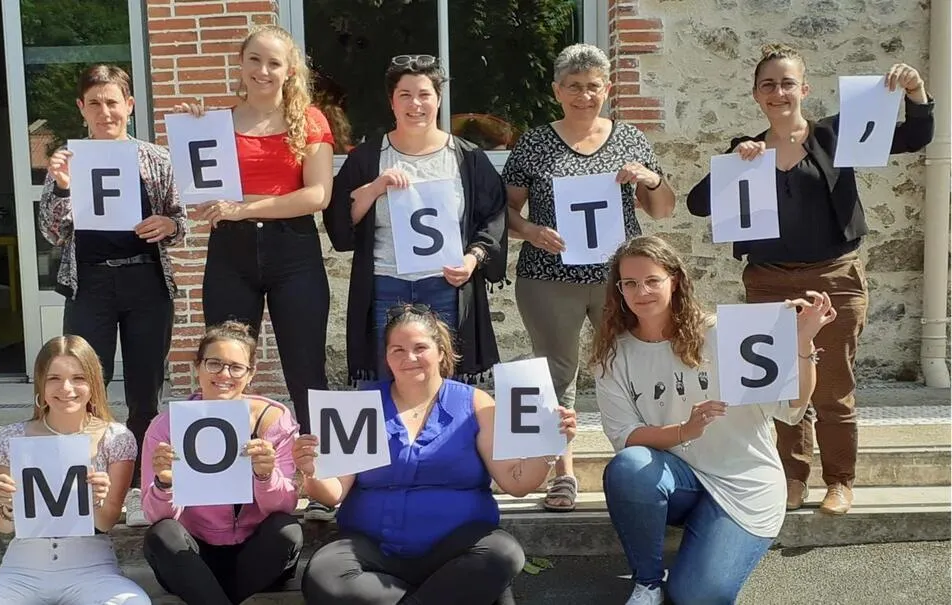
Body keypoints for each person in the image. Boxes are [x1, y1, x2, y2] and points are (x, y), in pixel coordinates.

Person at [685, 44, 934, 514]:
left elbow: (915, 136)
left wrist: (917, 92)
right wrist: (735, 162)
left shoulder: (836, 135)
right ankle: (793, 477)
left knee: (832, 385)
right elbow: (698, 204)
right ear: (756, 95)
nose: (778, 92)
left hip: (833, 276)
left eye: (786, 83)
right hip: (768, 282)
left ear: (804, 88)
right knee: (779, 386)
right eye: (768, 85)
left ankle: (840, 481)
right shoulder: (746, 148)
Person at [592, 235, 836, 605]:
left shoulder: (726, 333)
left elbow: (792, 408)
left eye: (652, 280)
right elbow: (627, 437)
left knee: (697, 598)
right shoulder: (613, 353)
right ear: (619, 290)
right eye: (629, 283)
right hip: (679, 479)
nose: (641, 291)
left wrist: (802, 341)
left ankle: (707, 544)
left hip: (744, 482)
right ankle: (647, 583)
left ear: (675, 280)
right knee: (629, 466)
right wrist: (685, 431)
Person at [297, 304, 578, 605]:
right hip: (374, 550)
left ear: (441, 351)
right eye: (398, 350)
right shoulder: (360, 405)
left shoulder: (475, 403)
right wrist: (311, 471)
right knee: (322, 574)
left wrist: (548, 446)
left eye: (420, 347)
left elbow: (517, 484)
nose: (410, 358)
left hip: (457, 551)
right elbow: (333, 493)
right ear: (387, 358)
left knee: (504, 553)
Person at [502, 43, 674, 512]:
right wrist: (531, 231)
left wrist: (651, 179)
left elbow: (662, 209)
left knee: (631, 365)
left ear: (607, 89)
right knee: (557, 375)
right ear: (558, 91)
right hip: (548, 278)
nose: (584, 95)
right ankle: (563, 474)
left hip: (620, 281)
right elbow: (506, 210)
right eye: (574, 87)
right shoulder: (535, 142)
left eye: (593, 87)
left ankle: (644, 465)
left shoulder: (631, 138)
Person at [173, 25, 334, 450]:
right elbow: (199, 190)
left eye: (274, 62)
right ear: (241, 64)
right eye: (255, 60)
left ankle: (321, 477)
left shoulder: (310, 121)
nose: (263, 70)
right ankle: (220, 474)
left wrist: (244, 207)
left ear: (290, 70)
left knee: (305, 369)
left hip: (293, 252)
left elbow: (317, 195)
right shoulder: (215, 124)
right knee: (223, 365)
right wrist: (191, 129)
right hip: (231, 254)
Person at [39, 64, 186, 525]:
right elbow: (52, 232)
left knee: (146, 390)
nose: (106, 112)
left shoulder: (155, 158)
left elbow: (178, 219)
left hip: (146, 283)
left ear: (130, 106)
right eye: (96, 103)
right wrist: (63, 189)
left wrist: (169, 225)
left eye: (113, 102)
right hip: (91, 284)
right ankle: (89, 488)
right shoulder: (67, 161)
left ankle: (142, 487)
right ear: (82, 109)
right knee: (82, 389)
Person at [323, 54, 508, 389]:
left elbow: (492, 219)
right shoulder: (367, 158)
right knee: (386, 375)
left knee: (445, 380)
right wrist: (375, 188)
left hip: (446, 285)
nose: (415, 104)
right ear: (392, 102)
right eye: (405, 95)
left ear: (438, 99)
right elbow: (340, 223)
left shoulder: (467, 158)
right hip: (384, 282)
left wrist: (472, 260)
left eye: (424, 94)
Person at [0, 336, 148, 604]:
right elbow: (2, 525)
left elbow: (106, 522)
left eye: (78, 377)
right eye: (54, 378)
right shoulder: (12, 438)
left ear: (93, 383)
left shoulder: (116, 438)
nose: (66, 388)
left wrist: (97, 499)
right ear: (40, 384)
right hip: (22, 571)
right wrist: (7, 505)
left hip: (90, 569)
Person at [140, 321, 302, 605]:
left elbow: (285, 506)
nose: (224, 375)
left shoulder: (275, 420)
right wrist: (165, 483)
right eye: (214, 364)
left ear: (250, 374)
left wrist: (266, 476)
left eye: (236, 367)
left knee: (287, 530)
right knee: (161, 535)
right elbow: (154, 516)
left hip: (253, 556)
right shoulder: (166, 426)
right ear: (197, 367)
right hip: (194, 555)